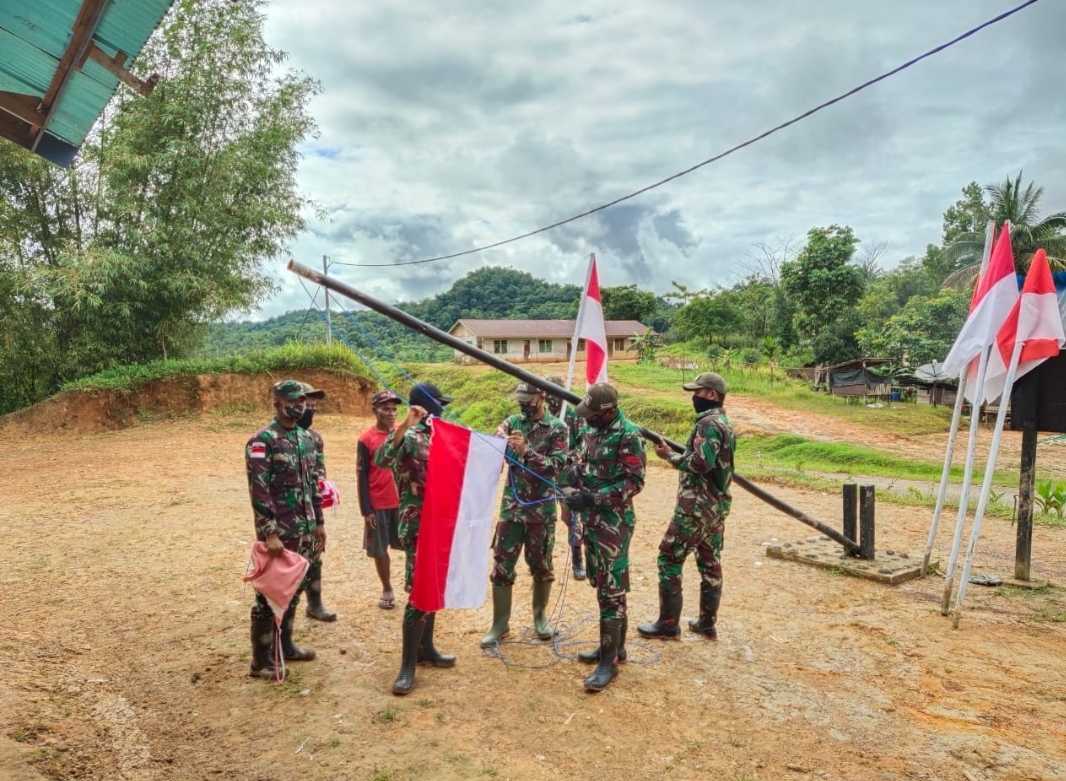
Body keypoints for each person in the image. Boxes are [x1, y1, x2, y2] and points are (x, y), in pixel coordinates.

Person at [638, 372, 735, 642]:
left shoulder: (708, 424)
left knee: (669, 557)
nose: (694, 397)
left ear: (712, 395)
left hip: (696, 507)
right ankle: (706, 623)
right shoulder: (723, 421)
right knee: (710, 562)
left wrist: (669, 456)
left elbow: (702, 463)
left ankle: (668, 624)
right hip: (715, 506)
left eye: (698, 392)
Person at [561, 383, 646, 692]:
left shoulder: (628, 435)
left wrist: (592, 498)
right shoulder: (593, 430)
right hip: (593, 521)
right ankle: (613, 648)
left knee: (612, 590)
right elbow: (583, 462)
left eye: (592, 415)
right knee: (603, 585)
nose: (587, 419)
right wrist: (572, 479)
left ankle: (608, 665)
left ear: (608, 411)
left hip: (614, 523)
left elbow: (633, 482)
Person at [375, 382, 457, 695]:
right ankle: (407, 667)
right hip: (417, 523)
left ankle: (427, 650)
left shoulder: (441, 434)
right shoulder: (408, 436)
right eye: (439, 403)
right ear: (425, 404)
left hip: (439, 522)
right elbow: (382, 460)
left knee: (433, 583)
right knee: (418, 590)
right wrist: (405, 424)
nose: (443, 408)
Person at [244, 379, 324, 680]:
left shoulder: (306, 439)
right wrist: (269, 532)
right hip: (281, 532)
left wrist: (319, 524)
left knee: (295, 589)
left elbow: (313, 485)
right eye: (293, 400)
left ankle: (287, 645)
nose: (300, 404)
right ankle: (261, 660)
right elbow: (259, 491)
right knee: (269, 597)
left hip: (304, 529)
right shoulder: (262, 441)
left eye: (302, 400)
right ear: (277, 403)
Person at [480, 382, 569, 648]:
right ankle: (500, 624)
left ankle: (540, 618)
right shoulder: (512, 422)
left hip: (540, 511)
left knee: (541, 565)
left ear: (541, 397)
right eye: (520, 400)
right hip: (512, 509)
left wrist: (526, 452)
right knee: (502, 565)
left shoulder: (557, 428)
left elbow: (557, 466)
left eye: (528, 401)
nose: (523, 406)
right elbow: (499, 456)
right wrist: (497, 441)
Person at [357, 390, 404, 610]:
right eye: (386, 408)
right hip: (379, 502)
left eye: (394, 409)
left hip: (404, 503)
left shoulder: (403, 434)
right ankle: (386, 587)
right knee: (379, 548)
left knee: (412, 543)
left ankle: (415, 585)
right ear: (375, 410)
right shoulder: (366, 439)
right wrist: (367, 510)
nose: (391, 413)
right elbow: (362, 475)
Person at [297, 382, 336, 622]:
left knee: (314, 556)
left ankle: (315, 604)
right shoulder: (272, 438)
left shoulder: (315, 438)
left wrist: (320, 518)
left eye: (314, 404)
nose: (311, 407)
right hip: (285, 515)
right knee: (285, 564)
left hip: (311, 513)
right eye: (307, 402)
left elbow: (319, 476)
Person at [546, 376, 586, 580]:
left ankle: (578, 561)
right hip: (544, 475)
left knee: (572, 519)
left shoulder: (573, 415)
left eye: (553, 393)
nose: (549, 398)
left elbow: (583, 444)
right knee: (545, 518)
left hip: (567, 477)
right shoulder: (541, 416)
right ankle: (543, 561)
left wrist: (570, 458)